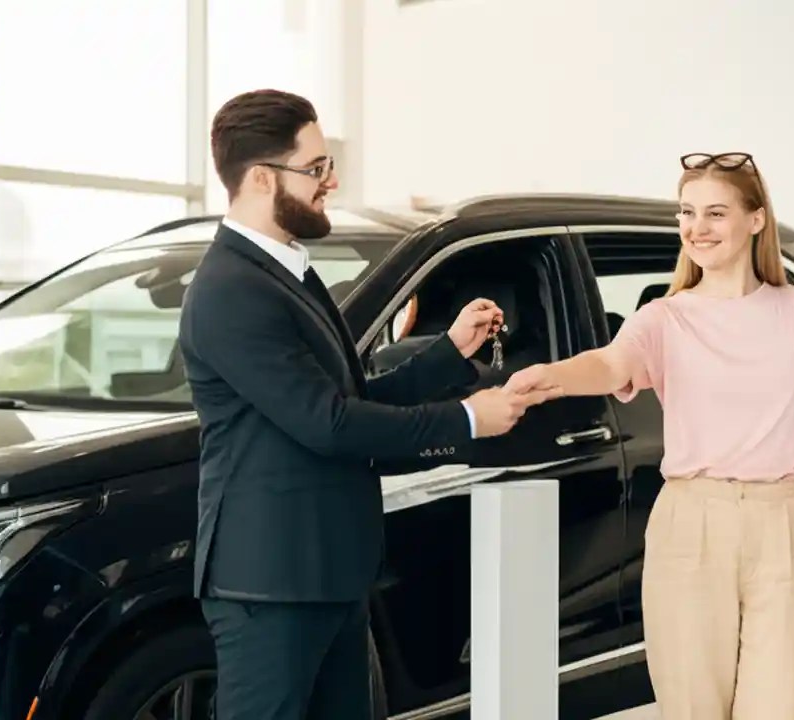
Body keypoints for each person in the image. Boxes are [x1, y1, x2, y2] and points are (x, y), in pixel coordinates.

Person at [179, 89, 554, 720]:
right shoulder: (231, 290)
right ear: (263, 178)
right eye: (317, 167)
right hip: (271, 584)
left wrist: (449, 355)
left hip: (327, 573)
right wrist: (467, 418)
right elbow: (328, 425)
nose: (331, 181)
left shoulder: (287, 272)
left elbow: (345, 399)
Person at [507, 152, 794, 719]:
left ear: (756, 219)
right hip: (692, 522)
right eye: (687, 212)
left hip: (785, 523)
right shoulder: (664, 318)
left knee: (783, 705)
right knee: (693, 706)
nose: (696, 229)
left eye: (715, 213)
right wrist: (553, 377)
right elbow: (611, 364)